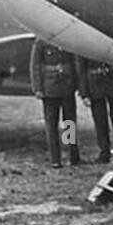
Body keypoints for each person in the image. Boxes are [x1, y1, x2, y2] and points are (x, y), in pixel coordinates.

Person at [29, 39, 80, 168]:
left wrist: (77, 84)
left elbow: (74, 63)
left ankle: (72, 156)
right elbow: (35, 65)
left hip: (67, 87)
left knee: (69, 123)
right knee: (51, 125)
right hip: (49, 89)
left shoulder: (66, 39)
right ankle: (55, 159)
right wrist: (38, 88)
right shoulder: (41, 42)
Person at [77, 56, 113, 164]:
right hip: (94, 83)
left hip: (111, 80)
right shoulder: (84, 45)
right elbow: (81, 70)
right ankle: (104, 152)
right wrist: (84, 93)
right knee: (100, 122)